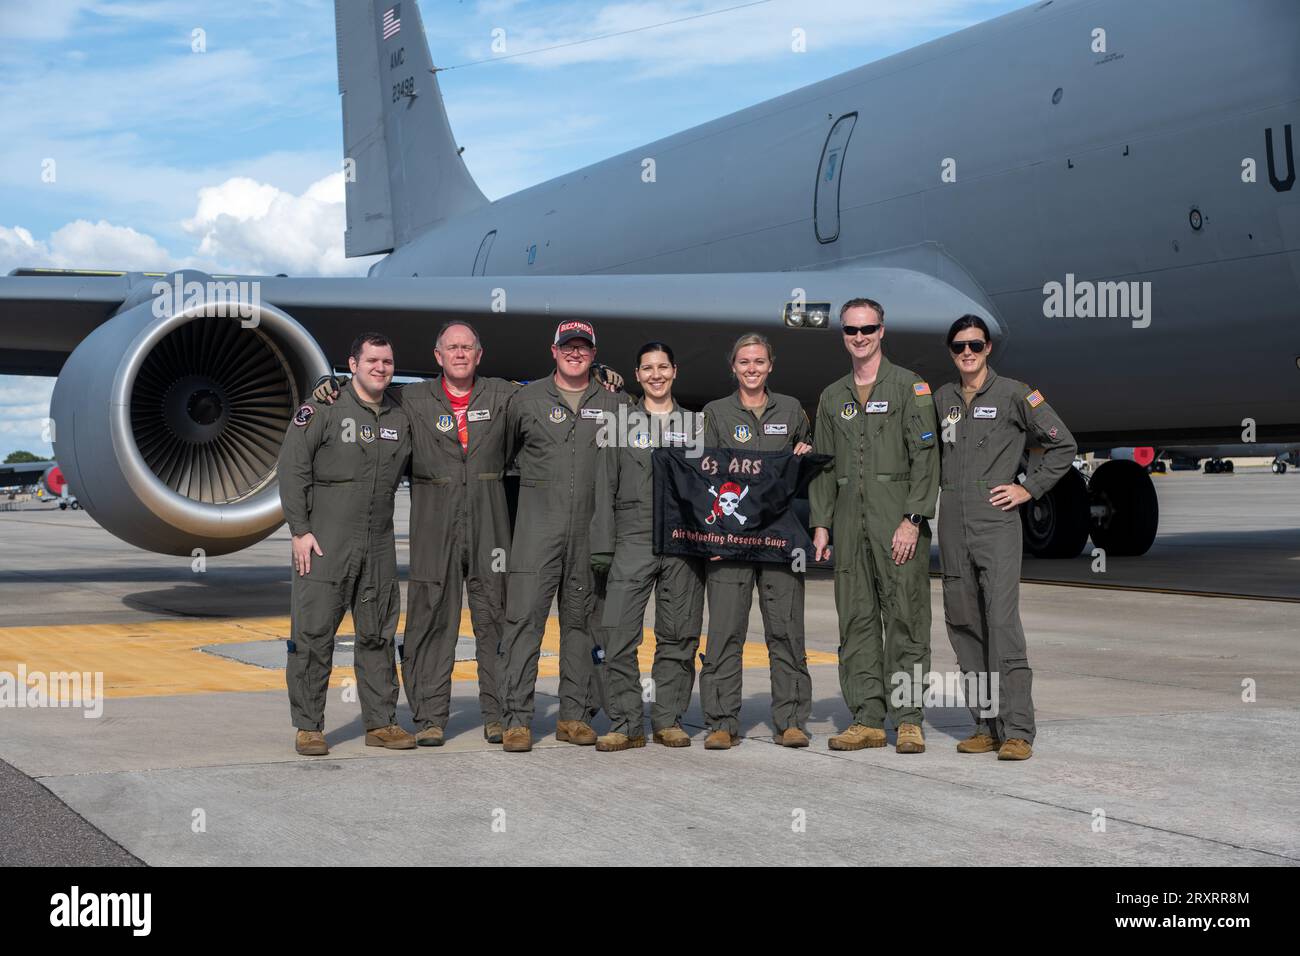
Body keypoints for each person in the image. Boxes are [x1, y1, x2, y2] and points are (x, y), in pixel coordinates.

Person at [310, 328, 623, 747]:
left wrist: (600, 373)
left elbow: (553, 389)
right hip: (434, 517)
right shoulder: (411, 398)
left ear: (480, 354)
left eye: (468, 348)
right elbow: (370, 391)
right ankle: (430, 717)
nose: (460, 354)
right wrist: (331, 385)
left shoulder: (505, 396)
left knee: (495, 616)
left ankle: (498, 715)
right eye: (452, 348)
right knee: (430, 616)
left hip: (488, 515)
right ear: (438, 355)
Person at [933, 314, 1076, 761]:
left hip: (995, 521)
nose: (967, 353)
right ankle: (985, 724)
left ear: (988, 347)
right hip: (952, 522)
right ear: (952, 351)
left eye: (975, 345)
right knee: (964, 624)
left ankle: (1017, 730)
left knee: (1001, 624)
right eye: (959, 346)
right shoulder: (941, 400)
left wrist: (1027, 488)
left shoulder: (1016, 394)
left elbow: (1062, 445)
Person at [810, 297, 939, 754]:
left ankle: (907, 719)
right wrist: (821, 524)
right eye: (851, 331)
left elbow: (927, 458)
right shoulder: (832, 396)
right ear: (843, 335)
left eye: (867, 329)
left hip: (897, 520)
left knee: (905, 618)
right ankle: (867, 718)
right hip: (848, 524)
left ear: (882, 331)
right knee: (857, 620)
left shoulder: (910, 388)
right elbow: (824, 467)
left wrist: (913, 518)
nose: (859, 338)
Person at [278, 333, 415, 755]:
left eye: (387, 361)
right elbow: (293, 468)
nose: (380, 367)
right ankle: (308, 727)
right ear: (352, 364)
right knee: (314, 634)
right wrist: (299, 531)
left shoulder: (400, 414)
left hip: (378, 542)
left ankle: (381, 722)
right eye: (372, 360)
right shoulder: (323, 407)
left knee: (377, 634)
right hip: (326, 540)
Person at [499, 320, 625, 752]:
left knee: (582, 625)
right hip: (537, 529)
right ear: (553, 350)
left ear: (594, 353)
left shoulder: (614, 399)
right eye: (567, 346)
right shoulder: (526, 400)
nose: (576, 353)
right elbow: (498, 457)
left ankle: (574, 715)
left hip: (589, 531)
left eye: (583, 348)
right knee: (523, 622)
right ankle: (516, 719)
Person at [697, 333, 814, 750]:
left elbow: (802, 467)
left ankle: (792, 720)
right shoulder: (716, 412)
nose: (751, 368)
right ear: (733, 366)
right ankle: (722, 721)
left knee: (786, 630)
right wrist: (708, 534)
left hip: (780, 538)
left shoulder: (792, 409)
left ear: (770, 366)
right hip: (730, 539)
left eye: (759, 361)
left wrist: (803, 450)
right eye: (744, 361)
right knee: (726, 631)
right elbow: (706, 474)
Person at [589, 342, 706, 751]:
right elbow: (603, 485)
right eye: (647, 368)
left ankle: (669, 719)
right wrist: (602, 546)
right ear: (636, 375)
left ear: (674, 371)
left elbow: (710, 489)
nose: (655, 375)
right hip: (632, 535)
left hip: (682, 540)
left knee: (679, 633)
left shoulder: (696, 426)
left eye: (662, 367)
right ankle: (625, 721)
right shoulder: (617, 423)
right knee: (618, 632)